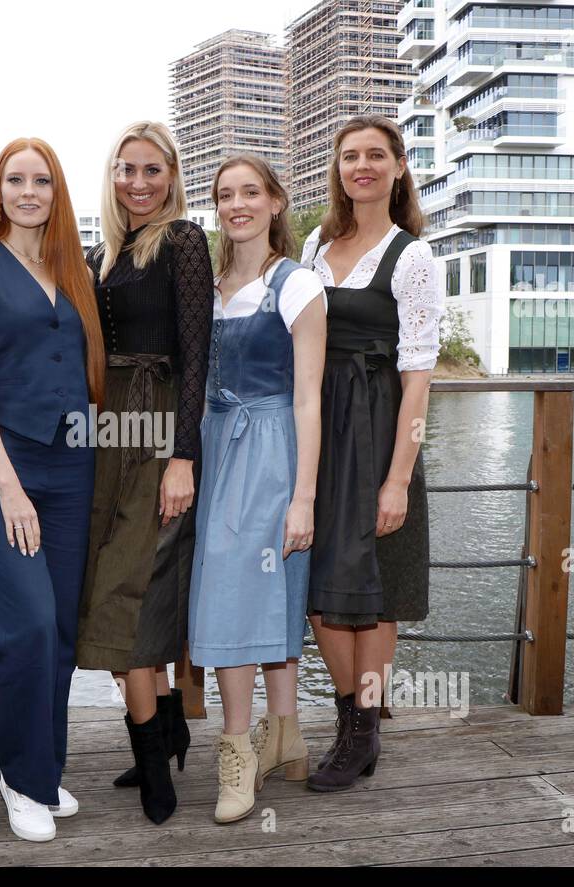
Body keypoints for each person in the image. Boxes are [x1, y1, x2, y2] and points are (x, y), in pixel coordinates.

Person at [0, 138, 105, 843]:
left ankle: (43, 771)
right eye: (16, 179)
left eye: (42, 180)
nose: (29, 191)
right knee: (29, 624)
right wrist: (9, 485)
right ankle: (19, 780)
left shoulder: (73, 269)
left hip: (73, 467)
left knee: (62, 631)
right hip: (0, 471)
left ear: (57, 191)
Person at [299, 114, 442, 792]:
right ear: (338, 166)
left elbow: (418, 375)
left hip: (381, 423)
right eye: (350, 155)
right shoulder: (314, 245)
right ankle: (351, 715)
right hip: (318, 428)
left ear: (398, 166)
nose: (362, 165)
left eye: (375, 155)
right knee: (320, 586)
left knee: (376, 589)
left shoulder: (412, 255)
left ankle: (361, 731)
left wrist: (398, 479)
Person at [76, 121, 211, 824]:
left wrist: (182, 457)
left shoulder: (184, 242)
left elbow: (196, 356)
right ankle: (167, 732)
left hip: (161, 430)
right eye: (127, 169)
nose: (138, 181)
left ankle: (157, 766)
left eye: (152, 170)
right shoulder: (102, 252)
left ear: (171, 175)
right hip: (108, 437)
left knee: (136, 598)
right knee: (120, 589)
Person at [188, 154, 326, 824]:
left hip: (270, 448)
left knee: (238, 593)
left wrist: (303, 497)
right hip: (216, 443)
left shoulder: (296, 286)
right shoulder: (210, 284)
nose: (236, 204)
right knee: (253, 586)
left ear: (276, 202)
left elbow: (308, 400)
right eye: (224, 195)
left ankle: (240, 748)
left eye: (250, 193)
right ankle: (287, 735)